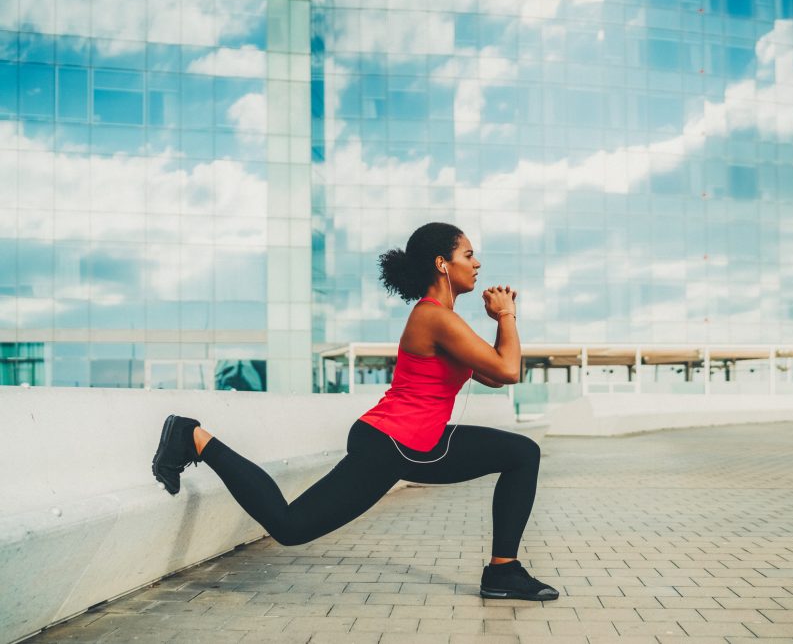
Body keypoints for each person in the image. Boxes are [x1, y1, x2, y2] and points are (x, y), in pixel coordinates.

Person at [150, 222, 558, 601]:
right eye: (468, 255)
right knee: (290, 527)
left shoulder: (444, 320)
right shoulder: (433, 317)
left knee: (522, 453)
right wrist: (506, 314)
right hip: (389, 445)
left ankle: (503, 571)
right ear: (442, 264)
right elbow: (508, 369)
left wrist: (499, 324)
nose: (478, 263)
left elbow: (495, 374)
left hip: (420, 443)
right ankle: (193, 437)